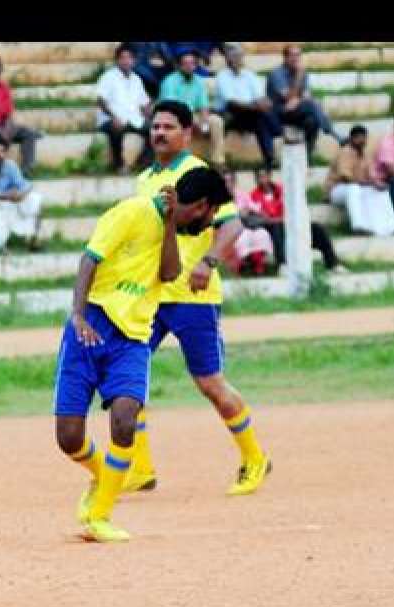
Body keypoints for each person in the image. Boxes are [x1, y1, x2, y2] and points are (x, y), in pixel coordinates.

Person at [54, 167, 230, 543]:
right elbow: (89, 259)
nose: (211, 222)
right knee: (68, 437)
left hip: (133, 338)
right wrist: (78, 315)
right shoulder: (131, 211)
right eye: (213, 213)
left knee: (124, 419)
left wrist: (168, 226)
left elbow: (168, 274)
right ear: (202, 206)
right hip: (90, 327)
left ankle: (100, 516)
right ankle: (102, 476)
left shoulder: (170, 230)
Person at [123, 100, 270, 498]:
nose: (159, 133)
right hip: (151, 298)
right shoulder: (145, 179)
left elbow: (233, 225)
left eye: (168, 127)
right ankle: (141, 469)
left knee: (210, 384)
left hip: (193, 298)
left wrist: (208, 261)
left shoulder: (199, 174)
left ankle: (255, 457)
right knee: (126, 377)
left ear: (187, 134)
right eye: (155, 126)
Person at [251, 166, 346, 274]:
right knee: (277, 228)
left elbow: (294, 208)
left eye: (264, 176)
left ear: (270, 176)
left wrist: (286, 218)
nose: (262, 179)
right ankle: (283, 265)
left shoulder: (282, 191)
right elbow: (259, 218)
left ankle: (333, 264)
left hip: (291, 224)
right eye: (259, 177)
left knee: (318, 229)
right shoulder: (253, 196)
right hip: (272, 230)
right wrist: (276, 220)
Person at [324, 125, 394, 237]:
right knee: (353, 188)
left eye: (364, 138)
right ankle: (358, 227)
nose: (362, 141)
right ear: (352, 139)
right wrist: (370, 183)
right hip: (336, 190)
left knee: (380, 190)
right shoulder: (344, 152)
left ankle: (390, 227)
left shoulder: (365, 154)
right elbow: (346, 178)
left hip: (358, 187)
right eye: (358, 138)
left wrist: (377, 184)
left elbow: (371, 176)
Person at [267, 45, 341, 157]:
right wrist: (298, 78)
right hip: (280, 113)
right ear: (285, 57)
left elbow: (307, 96)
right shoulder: (276, 74)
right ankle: (333, 133)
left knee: (313, 120)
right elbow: (288, 97)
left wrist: (298, 101)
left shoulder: (302, 73)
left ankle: (307, 155)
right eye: (292, 55)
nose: (295, 59)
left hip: (297, 110)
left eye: (298, 55)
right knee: (311, 105)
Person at [215, 44, 280, 170]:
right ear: (227, 59)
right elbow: (232, 102)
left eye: (239, 56)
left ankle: (270, 159)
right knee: (260, 116)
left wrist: (265, 103)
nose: (236, 59)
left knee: (261, 119)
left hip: (252, 114)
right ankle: (277, 131)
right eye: (233, 56)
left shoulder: (249, 75)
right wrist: (256, 107)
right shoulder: (222, 76)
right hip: (231, 115)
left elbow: (260, 96)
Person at [0, 136, 45, 252]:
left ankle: (34, 238)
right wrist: (5, 196)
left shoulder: (10, 165)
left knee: (35, 199)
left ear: (6, 153)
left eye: (2, 152)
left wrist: (21, 195)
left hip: (10, 200)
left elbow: (26, 185)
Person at [159, 51, 225, 166]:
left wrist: (204, 124)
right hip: (173, 116)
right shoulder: (170, 81)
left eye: (192, 63)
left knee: (216, 121)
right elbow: (172, 108)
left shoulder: (198, 80)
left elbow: (203, 105)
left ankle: (218, 161)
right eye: (186, 64)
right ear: (179, 66)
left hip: (194, 114)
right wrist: (192, 122)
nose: (189, 67)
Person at [96, 45, 154, 174]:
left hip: (133, 119)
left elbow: (145, 102)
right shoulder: (108, 77)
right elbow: (100, 101)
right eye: (123, 58)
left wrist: (149, 113)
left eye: (129, 58)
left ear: (134, 60)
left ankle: (143, 163)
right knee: (116, 128)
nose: (126, 61)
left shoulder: (136, 79)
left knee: (155, 129)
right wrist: (113, 117)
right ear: (117, 60)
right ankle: (119, 165)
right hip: (109, 119)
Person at [224, 169, 275, 277]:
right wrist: (237, 213)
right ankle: (243, 267)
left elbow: (255, 208)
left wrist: (250, 210)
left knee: (262, 233)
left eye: (230, 181)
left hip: (247, 225)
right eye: (225, 181)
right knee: (243, 237)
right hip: (231, 229)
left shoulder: (241, 194)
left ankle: (258, 266)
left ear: (234, 182)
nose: (228, 184)